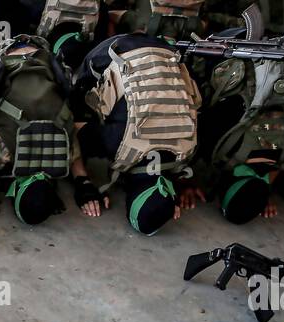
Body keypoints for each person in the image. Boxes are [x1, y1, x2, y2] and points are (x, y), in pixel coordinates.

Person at [0, 29, 106, 222]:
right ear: (16, 189)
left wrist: (84, 183)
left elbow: (72, 139)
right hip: (1, 56)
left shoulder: (61, 152)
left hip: (41, 55)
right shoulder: (0, 154)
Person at [178, 22, 284, 223]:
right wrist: (186, 180)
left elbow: (276, 167)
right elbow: (191, 120)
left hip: (266, 56)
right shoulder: (219, 139)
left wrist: (259, 192)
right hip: (232, 47)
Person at [72, 29, 201, 234]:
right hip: (112, 50)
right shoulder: (118, 146)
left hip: (168, 51)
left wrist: (176, 188)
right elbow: (71, 131)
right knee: (77, 96)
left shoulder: (187, 150)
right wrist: (83, 183)